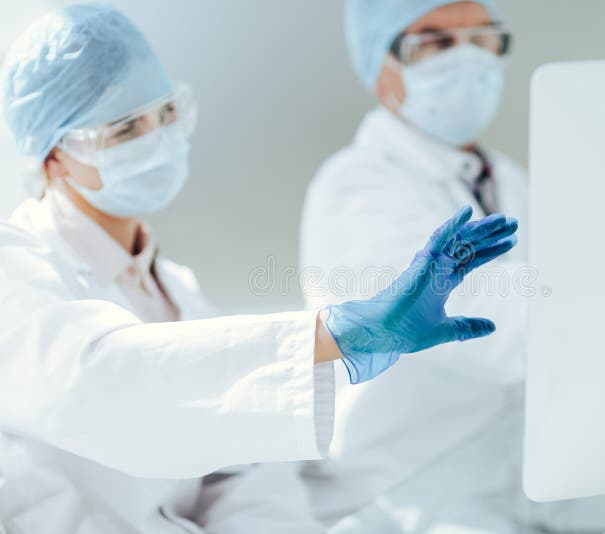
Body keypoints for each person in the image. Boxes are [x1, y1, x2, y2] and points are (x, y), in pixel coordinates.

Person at [0, 4, 519, 533]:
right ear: (51, 156)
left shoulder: (177, 290)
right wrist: (329, 336)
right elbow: (106, 383)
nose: (156, 137)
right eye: (125, 127)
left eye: (166, 113)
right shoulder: (15, 266)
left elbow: (241, 474)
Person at [300, 1, 605, 532]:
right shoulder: (356, 188)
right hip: (412, 492)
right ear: (379, 67)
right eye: (433, 43)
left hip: (518, 478)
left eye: (482, 39)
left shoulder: (506, 176)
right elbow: (485, 322)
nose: (467, 59)